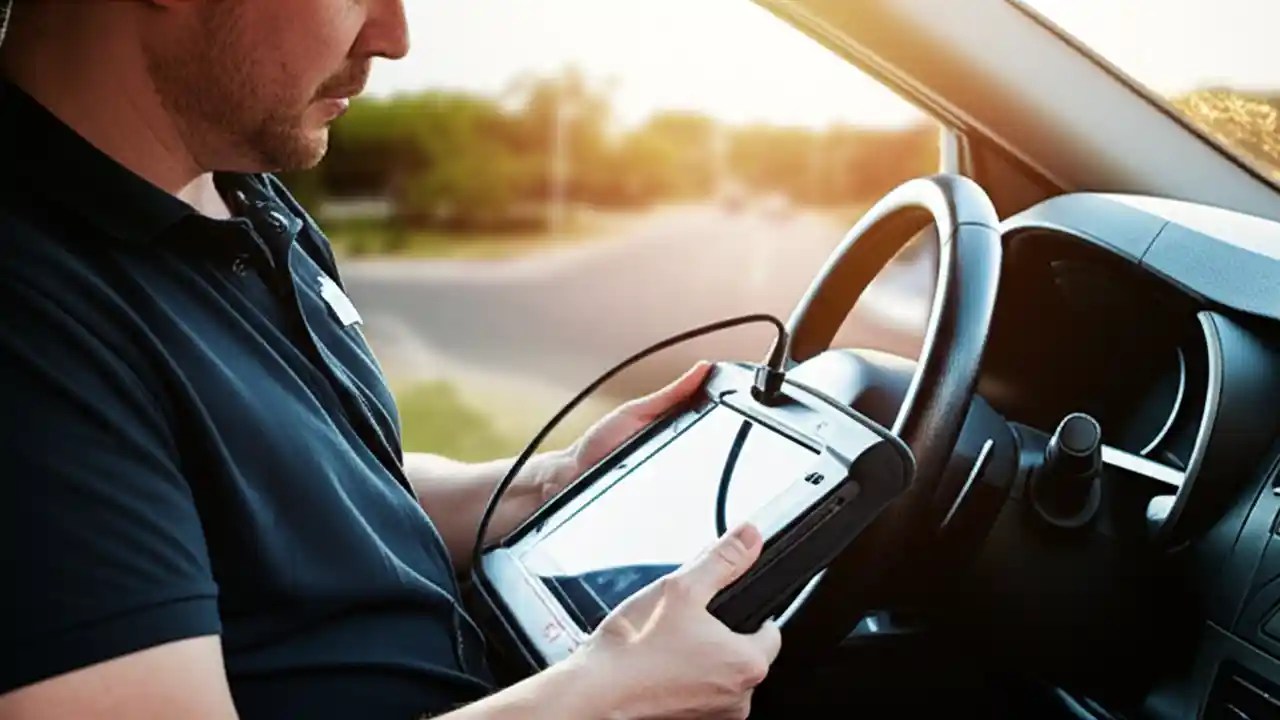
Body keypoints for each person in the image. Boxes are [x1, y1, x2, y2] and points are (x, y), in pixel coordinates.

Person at [0, 1, 781, 718]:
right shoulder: (31, 313)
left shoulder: (238, 190)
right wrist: (604, 696)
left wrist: (549, 483)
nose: (394, 36)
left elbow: (303, 489)